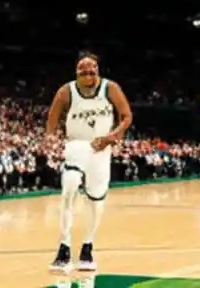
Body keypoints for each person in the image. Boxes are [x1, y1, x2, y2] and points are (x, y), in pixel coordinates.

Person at [45, 52, 134, 274]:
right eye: (83, 70)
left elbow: (126, 116)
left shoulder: (110, 88)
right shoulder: (66, 92)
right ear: (76, 72)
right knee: (70, 187)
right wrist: (51, 140)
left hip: (101, 149)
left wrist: (113, 135)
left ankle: (87, 247)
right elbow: (51, 122)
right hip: (76, 145)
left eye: (92, 69)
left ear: (98, 70)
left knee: (96, 200)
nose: (88, 73)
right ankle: (63, 248)